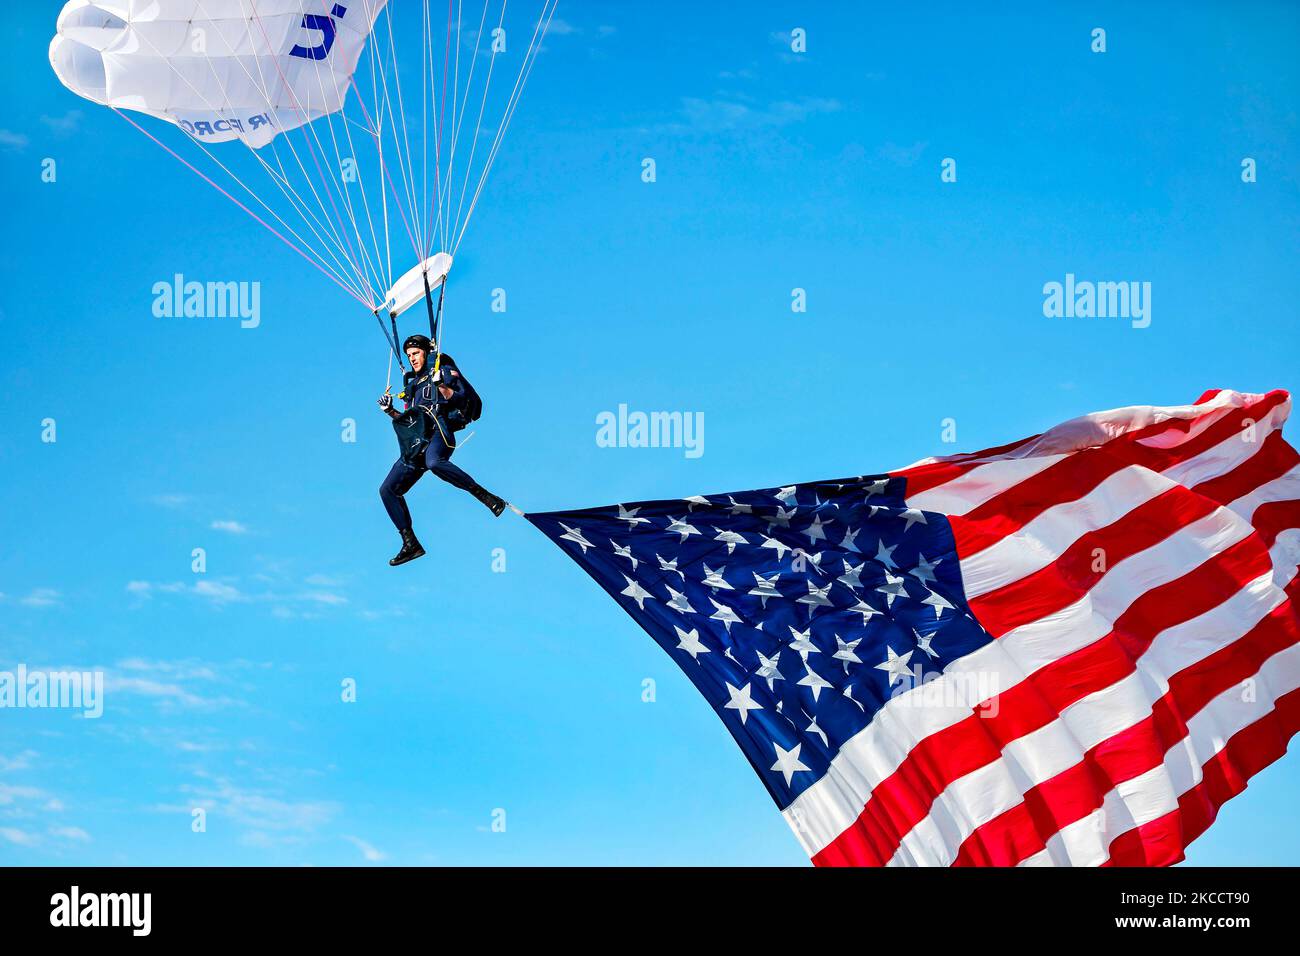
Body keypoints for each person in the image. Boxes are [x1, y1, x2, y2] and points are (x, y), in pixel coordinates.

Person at [378, 335, 506, 566]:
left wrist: (441, 386)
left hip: (438, 432)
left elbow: (466, 402)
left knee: (434, 462)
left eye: (415, 353)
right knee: (387, 489)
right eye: (409, 356)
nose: (412, 359)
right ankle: (411, 544)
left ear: (426, 352)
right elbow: (409, 420)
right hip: (416, 442)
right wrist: (390, 411)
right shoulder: (412, 384)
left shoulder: (443, 370)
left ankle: (487, 497)